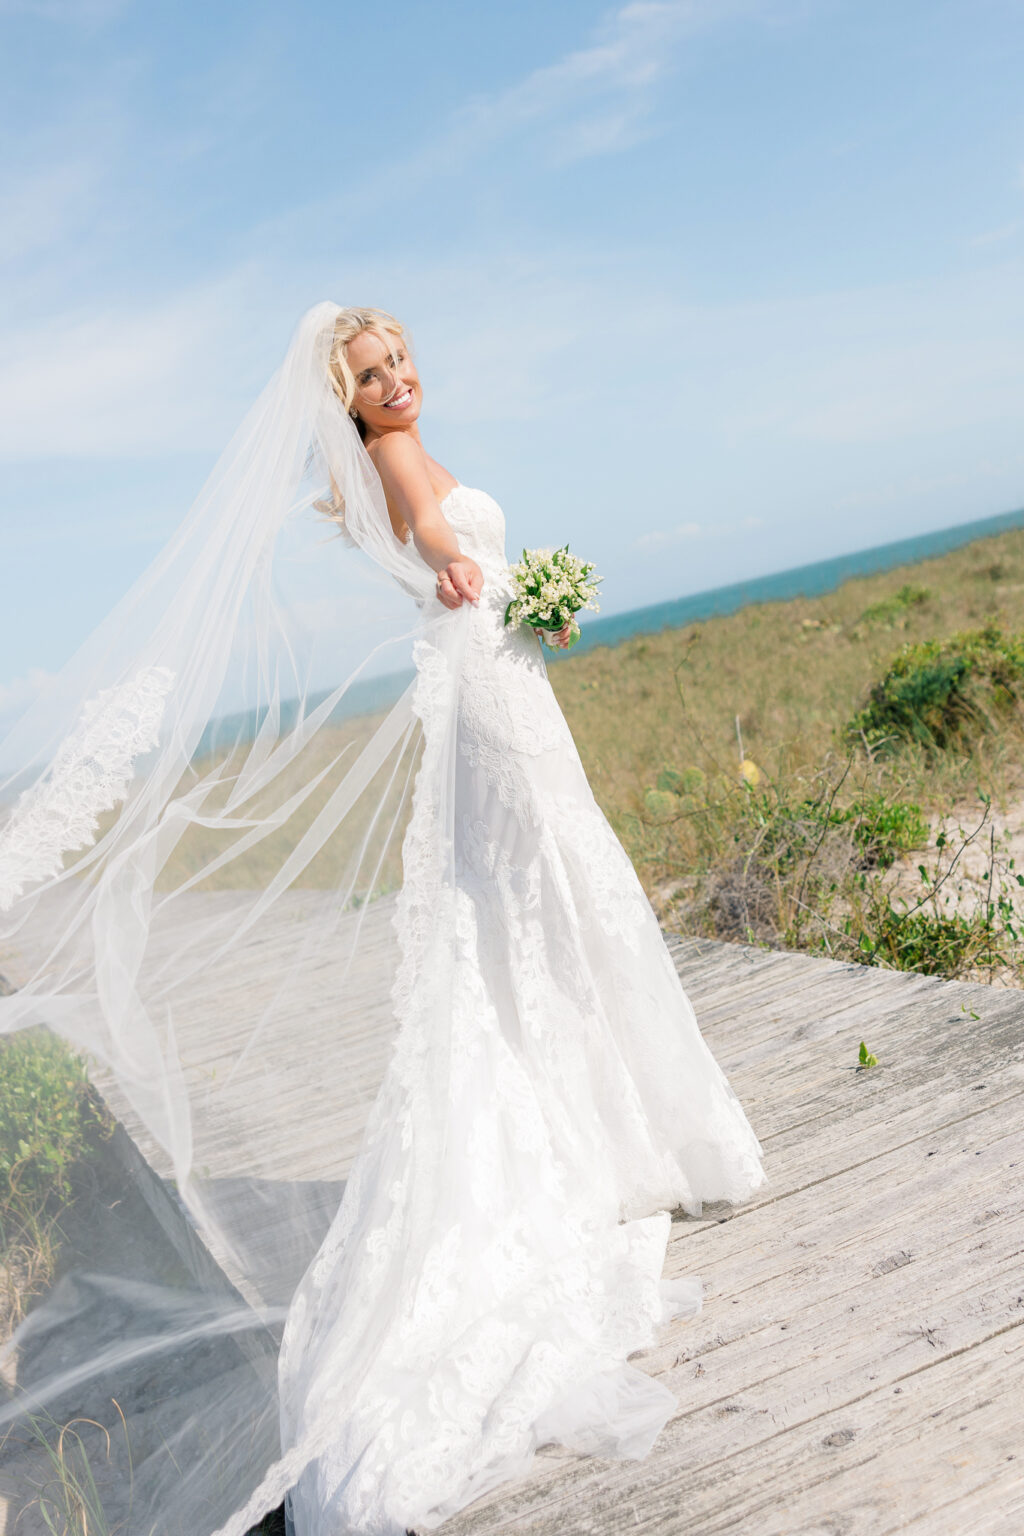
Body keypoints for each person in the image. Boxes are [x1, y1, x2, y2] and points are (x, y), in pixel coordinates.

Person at [0, 304, 766, 1536]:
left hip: (492, 683)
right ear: (347, 398)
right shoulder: (400, 468)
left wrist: (525, 604)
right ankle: (624, 1133)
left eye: (403, 360)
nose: (400, 381)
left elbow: (440, 556)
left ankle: (601, 1128)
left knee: (528, 906)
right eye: (374, 373)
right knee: (551, 894)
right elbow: (435, 542)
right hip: (492, 695)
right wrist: (472, 574)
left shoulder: (382, 460)